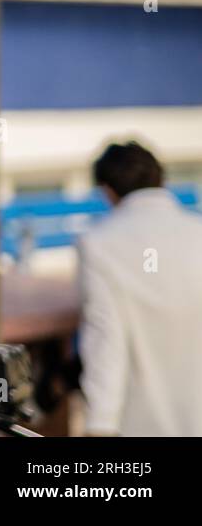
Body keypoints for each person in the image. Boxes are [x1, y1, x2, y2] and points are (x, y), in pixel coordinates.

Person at [77, 141, 202, 436]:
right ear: (162, 180)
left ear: (107, 190)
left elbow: (105, 342)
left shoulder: (98, 244)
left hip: (143, 426)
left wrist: (99, 425)